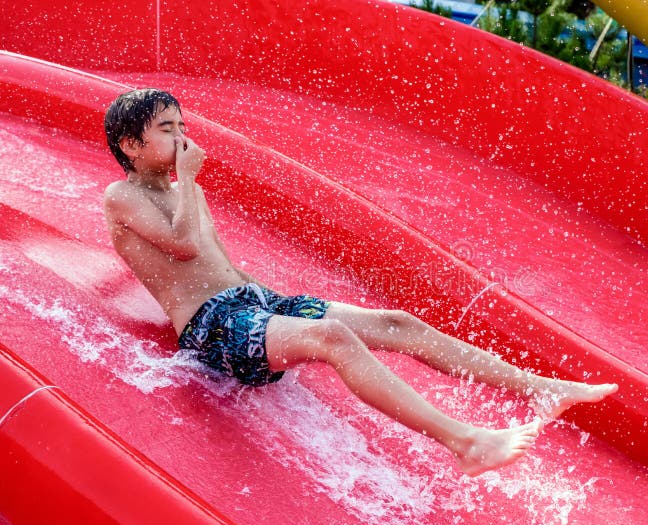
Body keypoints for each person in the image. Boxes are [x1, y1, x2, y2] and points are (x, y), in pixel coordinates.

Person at [102, 88, 617, 477]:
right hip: (214, 328)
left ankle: (540, 389)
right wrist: (189, 178)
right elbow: (185, 246)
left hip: (252, 304)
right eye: (167, 129)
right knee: (334, 339)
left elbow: (222, 264)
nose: (184, 137)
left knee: (399, 323)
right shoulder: (120, 196)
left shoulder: (184, 190)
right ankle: (467, 444)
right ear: (131, 144)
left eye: (182, 124)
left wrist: (279, 305)